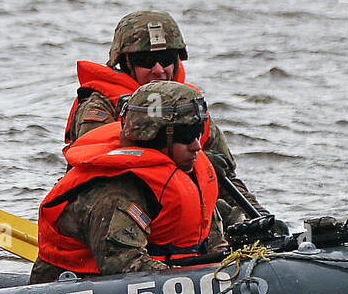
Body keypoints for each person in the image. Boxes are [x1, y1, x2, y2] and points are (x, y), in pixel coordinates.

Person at [62, 10, 261, 222]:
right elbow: (100, 166)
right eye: (146, 61)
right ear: (126, 63)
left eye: (165, 59)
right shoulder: (100, 105)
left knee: (230, 208)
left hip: (179, 202)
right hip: (117, 208)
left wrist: (259, 217)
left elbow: (227, 178)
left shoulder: (187, 105)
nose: (158, 70)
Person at [32, 81, 227, 283]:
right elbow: (122, 264)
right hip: (82, 290)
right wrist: (189, 280)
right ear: (155, 137)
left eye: (198, 134)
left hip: (169, 273)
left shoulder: (186, 174)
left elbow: (211, 239)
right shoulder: (115, 193)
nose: (196, 146)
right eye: (186, 136)